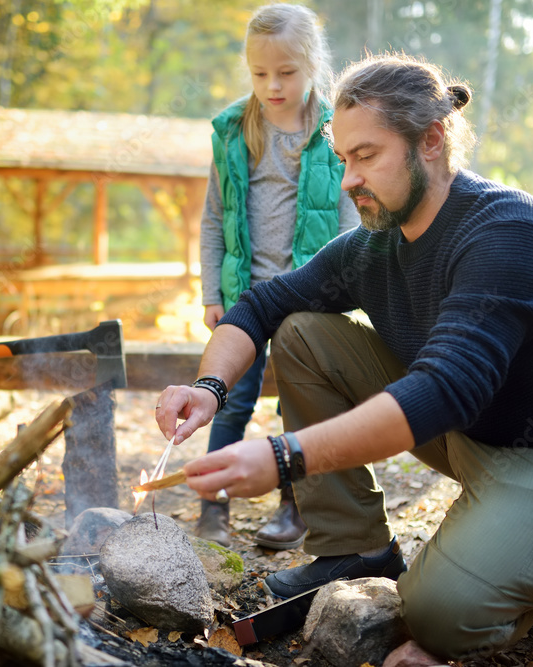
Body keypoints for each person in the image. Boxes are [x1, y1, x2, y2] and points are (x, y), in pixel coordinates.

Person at [156, 52, 533, 665]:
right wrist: (208, 388)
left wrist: (285, 458)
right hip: (464, 433)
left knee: (436, 616)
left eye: (366, 156)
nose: (348, 181)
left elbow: (447, 387)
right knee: (304, 330)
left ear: (431, 141)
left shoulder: (510, 231)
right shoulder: (373, 245)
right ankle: (354, 549)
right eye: (343, 160)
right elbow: (259, 306)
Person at [194, 3, 359, 549]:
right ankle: (211, 503)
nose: (273, 85)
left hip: (308, 296)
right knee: (229, 396)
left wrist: (347, 286)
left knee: (298, 401)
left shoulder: (335, 130)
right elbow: (215, 217)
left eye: (286, 72)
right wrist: (211, 292)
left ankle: (293, 506)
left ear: (312, 64)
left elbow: (349, 217)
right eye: (260, 73)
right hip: (244, 293)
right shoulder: (232, 130)